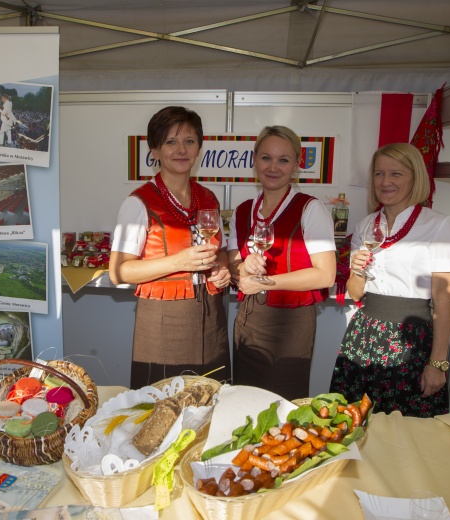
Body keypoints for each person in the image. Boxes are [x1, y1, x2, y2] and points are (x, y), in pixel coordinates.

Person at [329, 143, 450, 417]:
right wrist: (358, 270)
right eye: (379, 174)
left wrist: (437, 362)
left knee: (407, 430)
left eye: (396, 174)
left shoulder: (438, 224)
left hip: (410, 339)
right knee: (355, 423)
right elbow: (355, 293)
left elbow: (443, 299)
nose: (385, 182)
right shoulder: (366, 225)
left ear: (415, 177)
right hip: (364, 334)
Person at [109, 106, 232, 388]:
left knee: (210, 398)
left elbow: (220, 249)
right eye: (170, 142)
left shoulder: (208, 197)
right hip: (163, 318)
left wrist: (222, 267)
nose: (181, 150)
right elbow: (118, 272)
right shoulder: (138, 202)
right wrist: (179, 262)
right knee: (163, 405)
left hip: (211, 314)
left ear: (199, 147)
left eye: (189, 141)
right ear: (154, 150)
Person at [228, 126, 336, 400]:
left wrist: (267, 282)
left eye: (283, 160)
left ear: (297, 165)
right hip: (249, 319)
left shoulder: (310, 209)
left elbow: (326, 275)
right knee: (244, 402)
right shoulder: (242, 211)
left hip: (291, 324)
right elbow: (233, 263)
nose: (273, 167)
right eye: (266, 158)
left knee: (282, 406)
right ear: (254, 161)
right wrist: (243, 267)